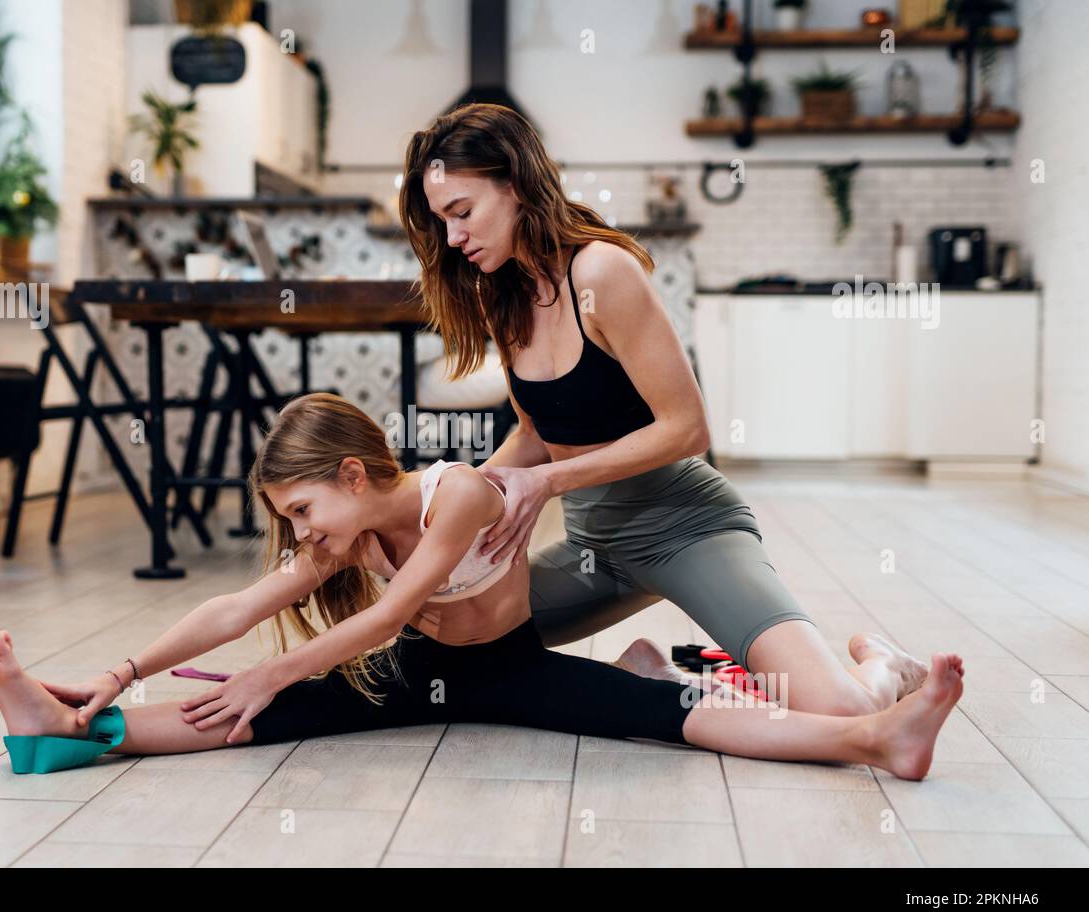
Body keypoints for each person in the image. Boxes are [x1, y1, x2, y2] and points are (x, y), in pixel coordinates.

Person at [0, 393, 963, 781]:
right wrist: (121, 669)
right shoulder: (344, 530)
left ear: (355, 475)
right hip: (420, 675)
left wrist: (274, 675)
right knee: (242, 720)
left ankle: (877, 731)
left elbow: (393, 610)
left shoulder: (457, 492)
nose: (299, 534)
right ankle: (64, 725)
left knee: (671, 720)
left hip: (510, 670)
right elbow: (236, 610)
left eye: (301, 510)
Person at [396, 102, 929, 718]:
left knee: (841, 712)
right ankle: (646, 673)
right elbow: (537, 434)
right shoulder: (505, 295)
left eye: (461, 212)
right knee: (451, 641)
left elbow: (688, 428)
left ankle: (884, 666)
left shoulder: (601, 271)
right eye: (442, 222)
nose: (454, 237)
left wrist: (544, 484)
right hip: (593, 545)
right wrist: (460, 493)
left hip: (684, 528)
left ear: (515, 184)